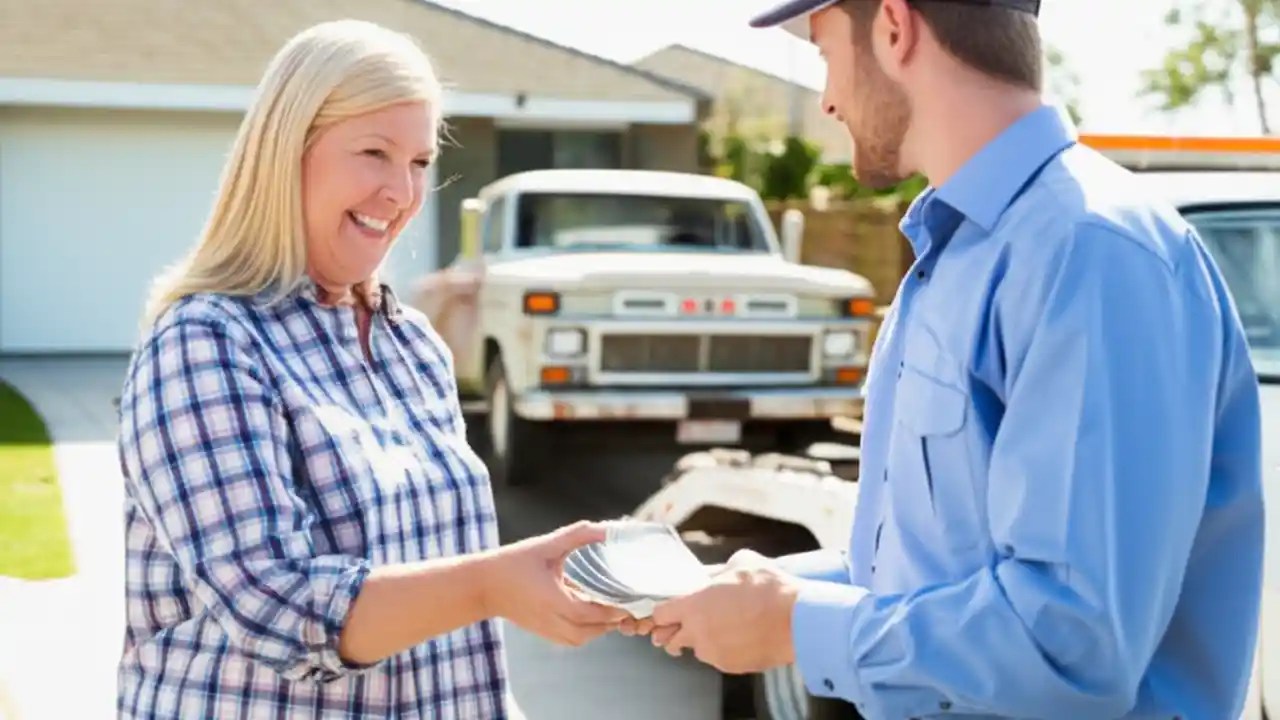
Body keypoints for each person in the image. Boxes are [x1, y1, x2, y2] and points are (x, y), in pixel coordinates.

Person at [623, 1, 1266, 718]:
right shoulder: (965, 251)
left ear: (895, 26)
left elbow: (1068, 646)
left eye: (824, 53)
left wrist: (795, 626)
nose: (828, 97)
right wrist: (760, 595)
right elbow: (931, 568)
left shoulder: (1088, 251)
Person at [115, 19, 625, 719]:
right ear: (285, 153)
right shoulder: (205, 342)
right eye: (374, 153)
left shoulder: (412, 346)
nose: (401, 192)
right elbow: (273, 603)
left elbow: (453, 631)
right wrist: (489, 585)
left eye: (418, 162)